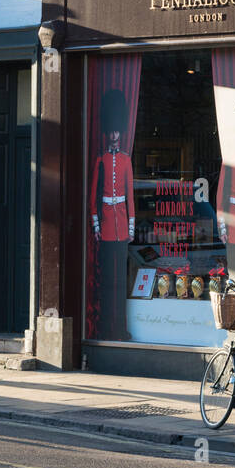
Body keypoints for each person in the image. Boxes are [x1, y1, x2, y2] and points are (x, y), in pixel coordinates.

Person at [90, 87, 135, 340]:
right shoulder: (101, 160)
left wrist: (130, 227)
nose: (115, 135)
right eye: (112, 131)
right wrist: (96, 225)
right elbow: (93, 198)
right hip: (107, 225)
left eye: (118, 131)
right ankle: (107, 327)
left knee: (120, 282)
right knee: (108, 281)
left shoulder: (126, 161)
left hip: (120, 225)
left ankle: (120, 327)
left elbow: (129, 195)